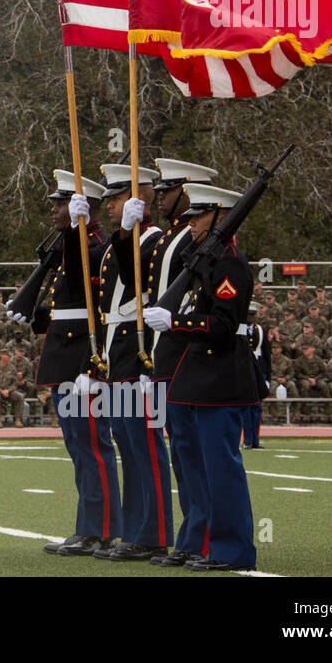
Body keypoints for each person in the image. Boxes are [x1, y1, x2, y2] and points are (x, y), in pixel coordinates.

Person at [143, 183, 259, 572]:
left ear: (221, 217)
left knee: (220, 468)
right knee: (191, 466)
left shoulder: (229, 263)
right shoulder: (205, 260)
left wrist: (175, 321)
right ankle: (196, 540)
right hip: (195, 374)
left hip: (221, 377)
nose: (191, 225)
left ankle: (231, 550)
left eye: (199, 217)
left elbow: (225, 326)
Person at [33, 170, 120, 559]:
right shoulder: (76, 243)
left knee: (91, 447)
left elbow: (102, 312)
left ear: (86, 205)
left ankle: (98, 530)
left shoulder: (98, 246)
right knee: (78, 447)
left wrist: (91, 364)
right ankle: (90, 527)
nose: (53, 207)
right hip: (63, 357)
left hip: (80, 360)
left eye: (61, 201)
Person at [93, 163, 172, 561]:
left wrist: (147, 367)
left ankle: (153, 532)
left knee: (145, 448)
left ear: (137, 198)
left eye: (117, 198)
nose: (109, 206)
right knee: (128, 443)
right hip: (115, 352)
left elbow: (143, 287)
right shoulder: (121, 239)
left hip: (137, 353)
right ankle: (135, 528)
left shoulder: (155, 240)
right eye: (108, 199)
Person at [143, 156, 218, 567]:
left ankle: (202, 536)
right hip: (167, 352)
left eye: (169, 191)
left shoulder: (199, 239)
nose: (162, 198)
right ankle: (192, 536)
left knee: (193, 452)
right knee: (182, 453)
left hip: (186, 353)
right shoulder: (174, 236)